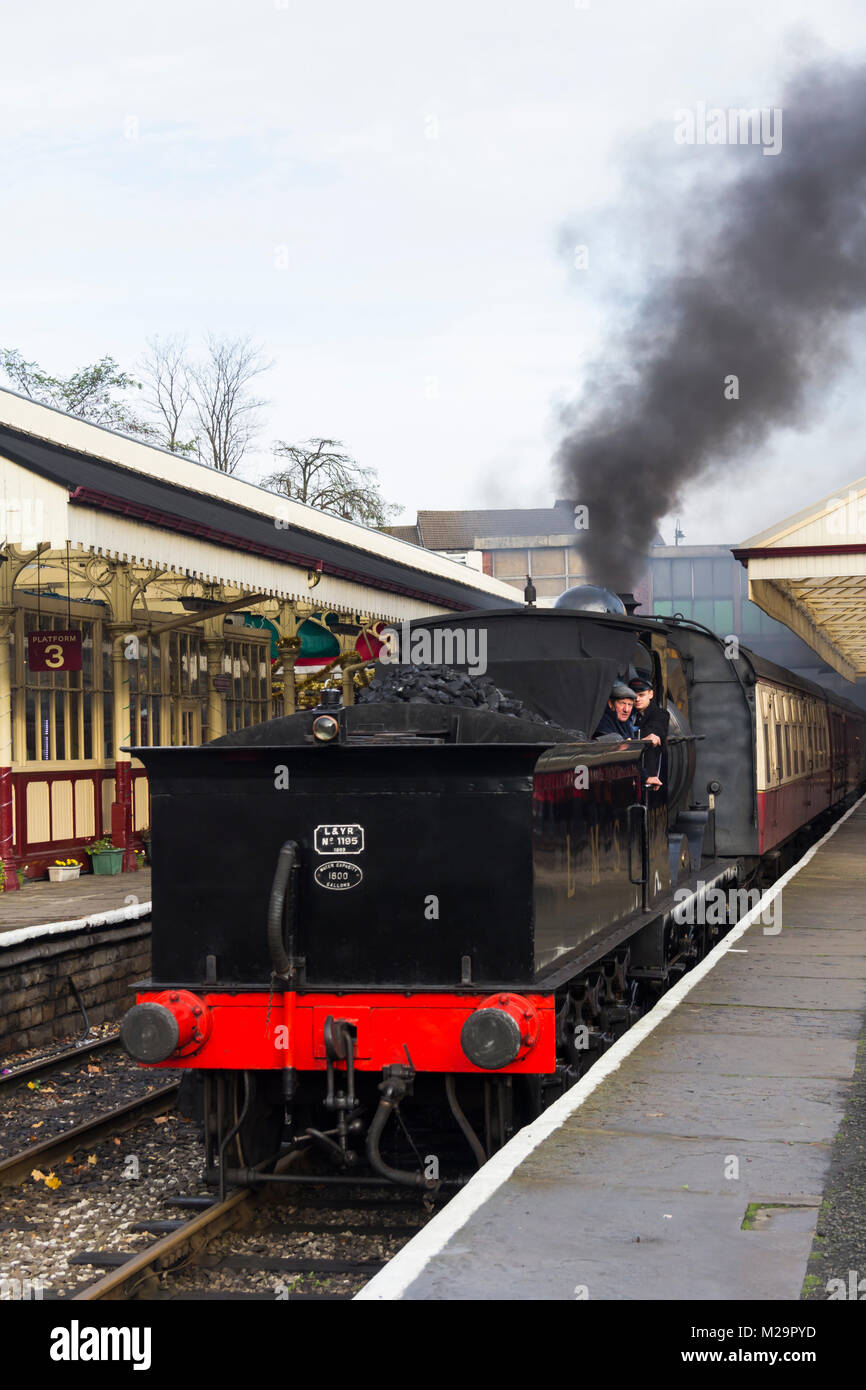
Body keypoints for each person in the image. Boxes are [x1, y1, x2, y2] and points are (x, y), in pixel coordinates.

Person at [629, 677, 669, 789]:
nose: (637, 699)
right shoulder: (626, 712)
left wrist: (628, 740)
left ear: (650, 694)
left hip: (648, 773)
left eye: (641, 695)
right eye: (634, 695)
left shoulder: (660, 714)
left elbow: (653, 733)